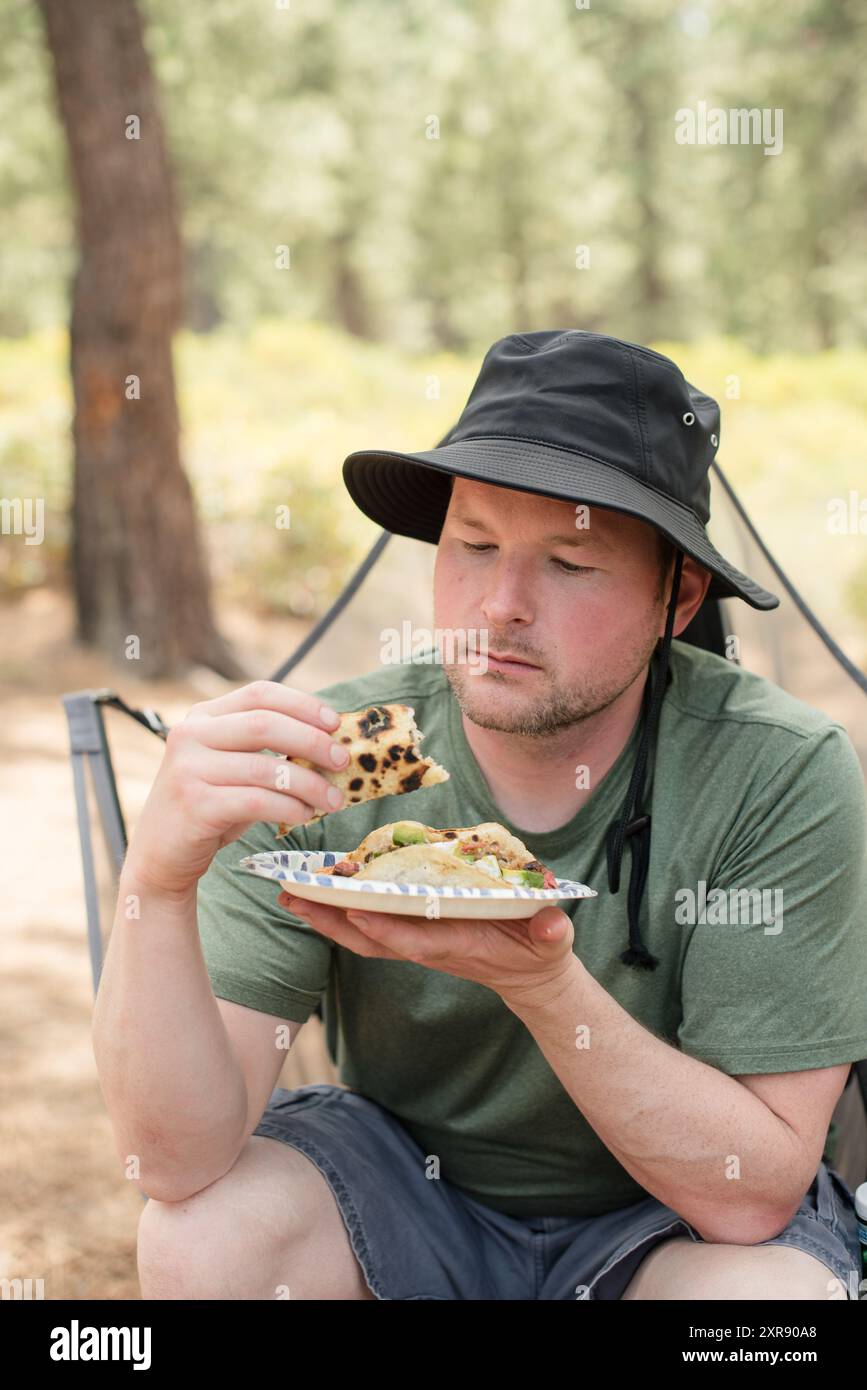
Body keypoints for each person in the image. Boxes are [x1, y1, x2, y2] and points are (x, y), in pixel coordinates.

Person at [94, 331, 867, 1300]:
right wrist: (155, 883)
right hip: (400, 1193)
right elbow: (175, 1165)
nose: (500, 604)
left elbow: (751, 1198)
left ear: (680, 595)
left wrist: (544, 983)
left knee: (769, 1309)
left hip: (665, 1223)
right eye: (474, 544)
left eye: (571, 562)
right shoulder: (338, 757)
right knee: (203, 1243)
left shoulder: (772, 769)